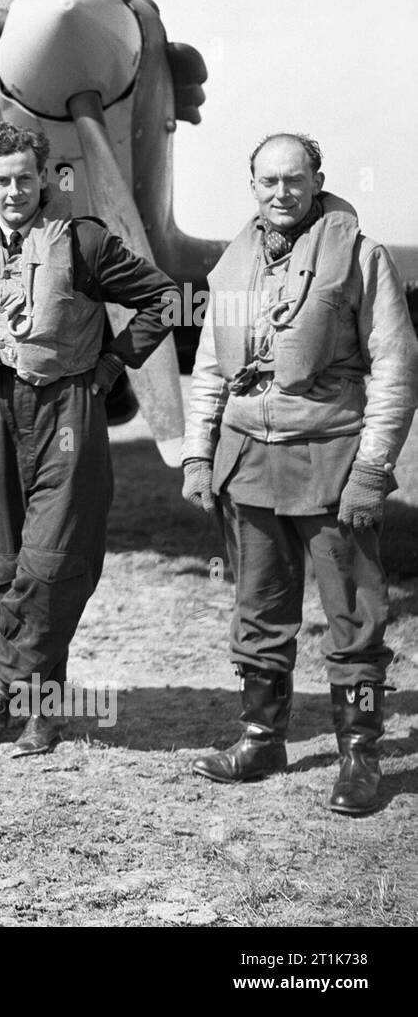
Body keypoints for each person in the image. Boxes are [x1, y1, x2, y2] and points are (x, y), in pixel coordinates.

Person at [182, 133, 418, 815]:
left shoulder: (362, 256)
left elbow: (396, 367)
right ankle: (261, 737)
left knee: (355, 616)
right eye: (267, 181)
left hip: (333, 458)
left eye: (294, 179)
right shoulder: (231, 267)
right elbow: (209, 369)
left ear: (318, 180)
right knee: (257, 609)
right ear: (251, 185)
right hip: (249, 460)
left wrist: (373, 469)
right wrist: (199, 453)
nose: (281, 193)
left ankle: (360, 753)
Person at [0, 120, 176, 756]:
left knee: (52, 565)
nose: (14, 191)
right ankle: (43, 705)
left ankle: (2, 686)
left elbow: (162, 297)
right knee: (0, 566)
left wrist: (109, 364)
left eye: (25, 178)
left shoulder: (84, 241)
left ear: (44, 177)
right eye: (1, 180)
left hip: (65, 408)